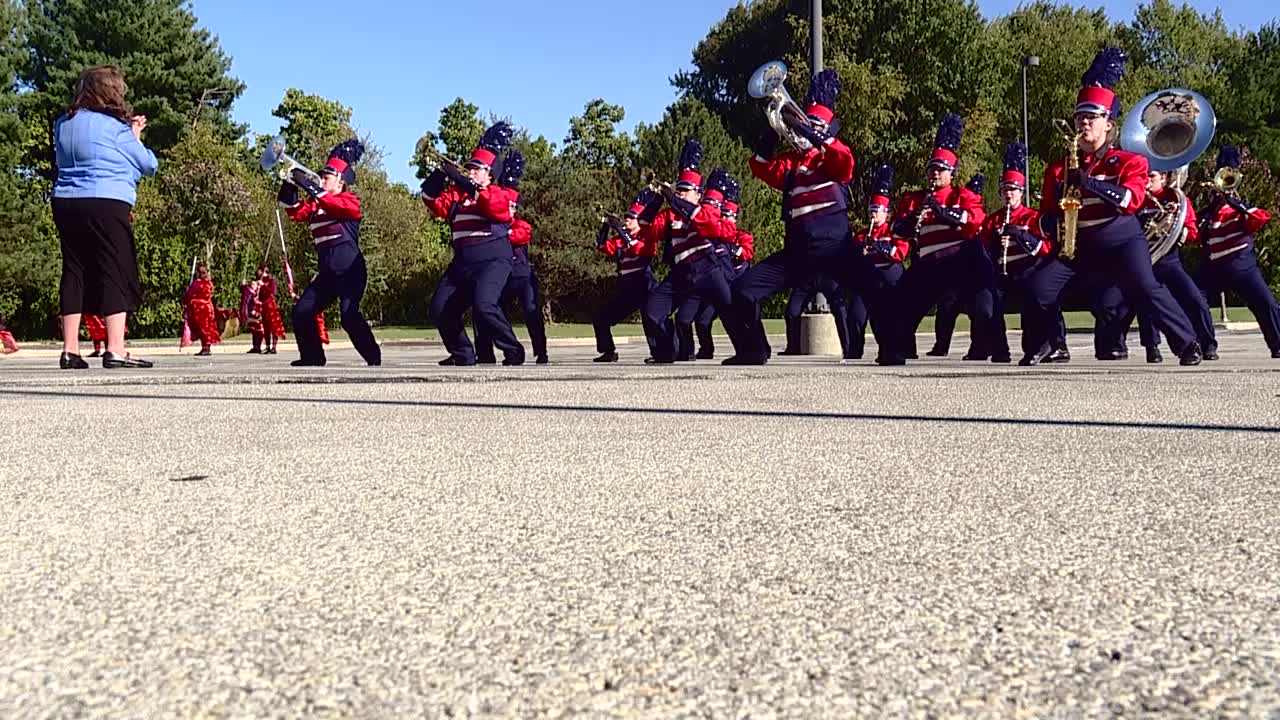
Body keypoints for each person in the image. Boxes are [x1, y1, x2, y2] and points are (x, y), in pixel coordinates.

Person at [1023, 48, 1202, 366]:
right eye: (1080, 116)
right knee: (1039, 288)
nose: (1083, 123)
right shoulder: (1058, 169)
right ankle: (1055, 344)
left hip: (1121, 241)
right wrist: (1050, 225)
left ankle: (1187, 343)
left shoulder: (1130, 161)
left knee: (1145, 288)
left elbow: (1128, 200)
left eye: (1091, 116)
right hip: (1080, 247)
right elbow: (1045, 215)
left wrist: (1088, 183)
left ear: (1108, 124)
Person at [729, 68, 857, 365]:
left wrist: (814, 134)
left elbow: (845, 161)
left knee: (878, 288)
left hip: (835, 250)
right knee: (742, 291)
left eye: (813, 125)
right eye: (804, 123)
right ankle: (754, 350)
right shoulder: (792, 162)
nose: (803, 131)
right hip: (798, 253)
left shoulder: (831, 159)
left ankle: (892, 350)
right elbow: (760, 167)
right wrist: (774, 129)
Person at [52, 64, 157, 369]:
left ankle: (70, 349)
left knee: (73, 270)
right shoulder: (116, 130)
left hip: (66, 201)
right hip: (107, 202)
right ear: (111, 92)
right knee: (115, 268)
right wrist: (135, 135)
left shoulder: (62, 124)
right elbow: (148, 165)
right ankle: (115, 349)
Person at [883, 114, 989, 366]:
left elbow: (974, 220)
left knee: (982, 306)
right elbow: (897, 231)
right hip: (928, 265)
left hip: (958, 263)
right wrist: (912, 220)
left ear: (951, 173)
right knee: (900, 302)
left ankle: (985, 348)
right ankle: (899, 350)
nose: (934, 175)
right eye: (931, 169)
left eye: (940, 170)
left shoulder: (962, 195)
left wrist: (942, 211)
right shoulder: (913, 200)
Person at [421, 122, 524, 366]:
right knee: (439, 308)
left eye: (477, 169)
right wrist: (440, 174)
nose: (470, 172)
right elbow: (430, 201)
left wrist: (467, 184)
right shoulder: (458, 195)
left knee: (484, 304)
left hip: (493, 259)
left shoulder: (500, 192)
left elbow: (497, 208)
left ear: (490, 175)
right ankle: (463, 354)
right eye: (468, 168)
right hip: (463, 262)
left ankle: (513, 350)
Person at [278, 139, 381, 367]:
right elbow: (291, 210)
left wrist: (309, 185)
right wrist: (290, 182)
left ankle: (373, 357)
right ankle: (312, 357)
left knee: (348, 315)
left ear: (341, 181)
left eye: (327, 177)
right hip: (327, 274)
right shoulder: (316, 206)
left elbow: (334, 205)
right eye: (321, 175)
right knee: (302, 311)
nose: (321, 179)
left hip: (351, 271)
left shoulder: (349, 201)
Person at [1102, 169, 1212, 363]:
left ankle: (1208, 345)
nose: (1146, 180)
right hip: (1142, 260)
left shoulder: (1177, 199)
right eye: (1144, 176)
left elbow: (1193, 233)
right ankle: (1149, 348)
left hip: (1169, 261)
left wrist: (1176, 230)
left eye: (1151, 176)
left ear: (1164, 178)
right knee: (1132, 302)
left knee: (1195, 300)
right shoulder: (1136, 200)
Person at [640, 152, 739, 364]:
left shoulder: (706, 209)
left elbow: (708, 224)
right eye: (678, 190)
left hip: (707, 269)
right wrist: (657, 198)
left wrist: (674, 199)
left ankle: (751, 351)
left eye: (685, 191)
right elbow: (646, 230)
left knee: (731, 310)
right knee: (652, 309)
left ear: (697, 194)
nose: (680, 194)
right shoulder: (669, 215)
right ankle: (666, 353)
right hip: (682, 274)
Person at [1192, 145, 1280, 358]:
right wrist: (1204, 207)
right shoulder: (1208, 212)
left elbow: (1261, 218)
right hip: (1213, 266)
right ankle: (1207, 346)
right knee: (1194, 298)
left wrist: (1235, 203)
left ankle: (1278, 345)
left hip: (1241, 265)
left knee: (1265, 303)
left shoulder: (1241, 208)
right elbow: (1194, 237)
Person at [979, 142, 1054, 363]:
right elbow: (983, 246)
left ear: (1021, 192)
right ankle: (999, 349)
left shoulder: (1032, 217)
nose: (1008, 195)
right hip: (1002, 272)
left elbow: (1045, 248)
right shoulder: (993, 219)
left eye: (1012, 190)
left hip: (1027, 270)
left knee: (1032, 302)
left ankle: (1034, 347)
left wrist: (1020, 236)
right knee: (988, 304)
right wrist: (994, 241)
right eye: (1005, 191)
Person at [472, 153, 549, 365]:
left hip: (522, 277)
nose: (510, 210)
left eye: (512, 207)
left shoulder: (521, 225)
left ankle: (540, 352)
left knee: (532, 315)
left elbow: (516, 236)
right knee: (486, 308)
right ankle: (486, 352)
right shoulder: (495, 224)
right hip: (504, 278)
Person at [847, 164, 909, 361]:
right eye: (871, 210)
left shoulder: (893, 233)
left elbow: (900, 254)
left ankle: (890, 350)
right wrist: (860, 252)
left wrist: (880, 246)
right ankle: (854, 351)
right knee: (856, 315)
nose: (874, 214)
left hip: (888, 279)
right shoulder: (861, 235)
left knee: (883, 319)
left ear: (886, 213)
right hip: (867, 280)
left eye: (878, 210)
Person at [592, 188, 661, 362]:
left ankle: (658, 352)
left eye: (631, 217)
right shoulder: (620, 240)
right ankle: (608, 351)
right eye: (627, 217)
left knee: (650, 318)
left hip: (643, 281)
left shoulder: (647, 236)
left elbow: (639, 249)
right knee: (602, 317)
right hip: (627, 285)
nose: (627, 220)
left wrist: (620, 229)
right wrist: (606, 225)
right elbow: (601, 246)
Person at [692, 180, 754, 359]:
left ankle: (755, 349)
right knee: (703, 321)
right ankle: (706, 350)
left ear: (735, 218)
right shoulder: (715, 235)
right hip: (719, 286)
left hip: (737, 286)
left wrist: (737, 250)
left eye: (730, 215)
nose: (726, 218)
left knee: (747, 320)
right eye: (723, 214)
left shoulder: (742, 236)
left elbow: (746, 253)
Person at [182, 263, 221, 356]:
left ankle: (205, 347)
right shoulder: (209, 283)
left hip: (200, 309)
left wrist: (187, 295)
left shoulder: (198, 283)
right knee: (208, 328)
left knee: (203, 329)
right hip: (208, 308)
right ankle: (206, 347)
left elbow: (189, 295)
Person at [258, 264, 287, 355]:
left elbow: (272, 291)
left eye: (261, 272)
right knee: (266, 327)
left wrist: (263, 286)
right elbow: (260, 296)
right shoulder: (261, 281)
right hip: (264, 306)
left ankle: (274, 346)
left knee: (273, 326)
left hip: (271, 306)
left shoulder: (271, 281)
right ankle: (267, 346)